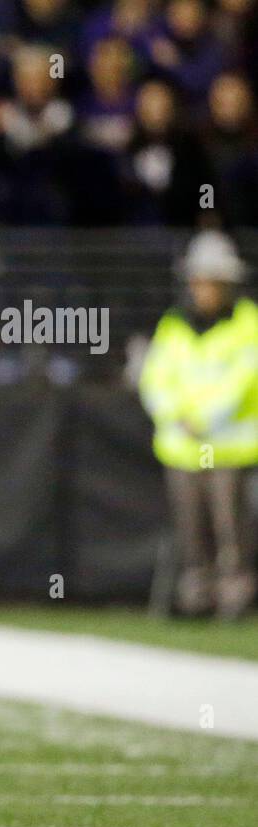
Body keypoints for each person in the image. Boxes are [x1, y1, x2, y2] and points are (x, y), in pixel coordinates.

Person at [140, 231, 258, 619]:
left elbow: (245, 377)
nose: (203, 288)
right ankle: (196, 599)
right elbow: (155, 377)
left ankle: (235, 599)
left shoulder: (248, 324)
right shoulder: (173, 325)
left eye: (212, 280)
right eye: (199, 280)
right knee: (190, 532)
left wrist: (203, 418)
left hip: (228, 450)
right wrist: (175, 415)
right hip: (182, 450)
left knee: (231, 531)